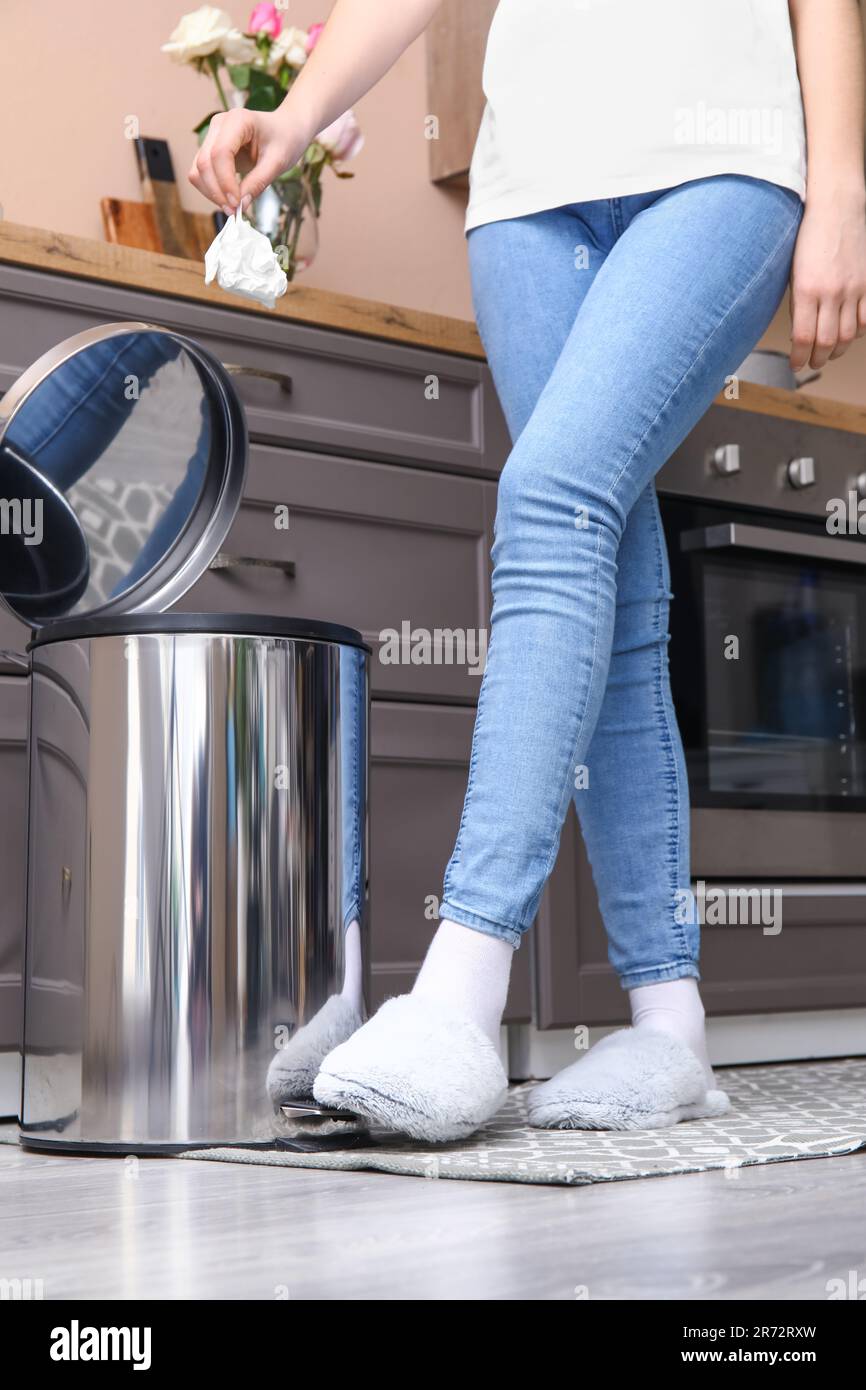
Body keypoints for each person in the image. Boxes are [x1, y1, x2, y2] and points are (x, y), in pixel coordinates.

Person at [190, 0, 866, 1142]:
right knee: (616, 568)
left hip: (722, 166)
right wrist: (298, 113)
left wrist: (840, 187)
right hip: (524, 196)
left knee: (549, 498)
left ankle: (460, 984)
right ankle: (667, 1023)